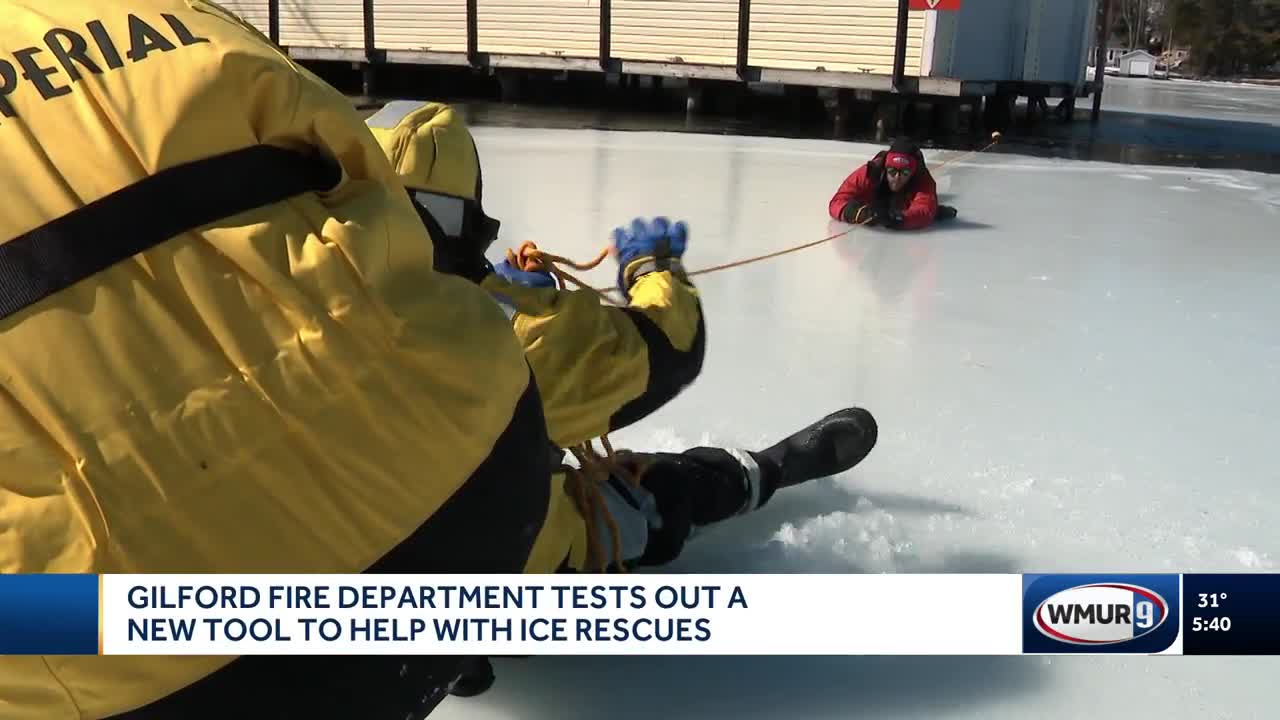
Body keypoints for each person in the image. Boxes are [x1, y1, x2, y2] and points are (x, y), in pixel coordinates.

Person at [0, 1, 871, 715]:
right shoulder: (489, 328)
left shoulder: (287, 287)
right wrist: (651, 266)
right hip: (465, 558)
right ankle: (747, 476)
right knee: (618, 513)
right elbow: (664, 352)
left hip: (101, 638)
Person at [366, 100, 880, 697]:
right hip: (501, 588)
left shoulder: (268, 311)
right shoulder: (508, 333)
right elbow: (670, 344)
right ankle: (760, 473)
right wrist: (648, 268)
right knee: (646, 505)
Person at [828, 140, 958, 230]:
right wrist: (855, 213)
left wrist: (898, 218)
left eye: (905, 172)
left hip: (903, 206)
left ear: (913, 172)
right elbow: (837, 202)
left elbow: (924, 210)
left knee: (932, 210)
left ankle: (938, 210)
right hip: (872, 202)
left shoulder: (923, 180)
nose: (897, 178)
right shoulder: (869, 172)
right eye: (892, 171)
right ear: (885, 167)